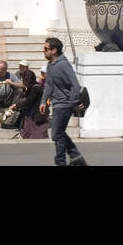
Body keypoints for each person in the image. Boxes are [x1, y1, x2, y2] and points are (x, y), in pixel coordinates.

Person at [41, 38, 87, 166]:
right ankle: (76, 157)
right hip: (57, 104)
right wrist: (43, 101)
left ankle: (61, 162)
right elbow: (49, 85)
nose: (43, 51)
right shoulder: (51, 64)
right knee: (59, 133)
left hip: (65, 104)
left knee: (56, 134)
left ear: (54, 50)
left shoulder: (63, 65)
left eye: (45, 49)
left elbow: (75, 85)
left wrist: (74, 102)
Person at [16, 65, 50, 140]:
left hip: (38, 113)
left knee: (38, 131)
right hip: (34, 112)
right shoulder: (32, 87)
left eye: (24, 79)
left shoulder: (36, 88)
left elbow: (28, 101)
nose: (23, 81)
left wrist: (16, 106)